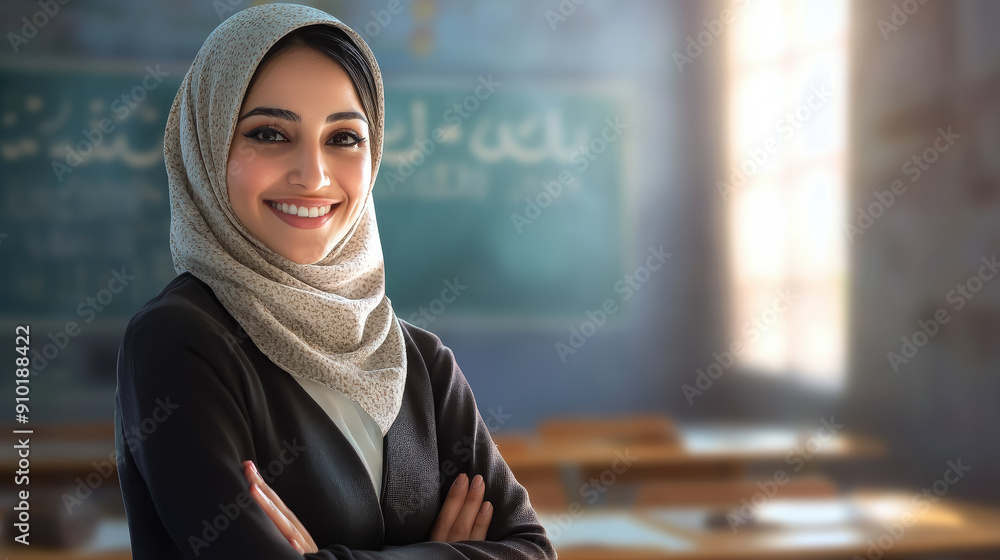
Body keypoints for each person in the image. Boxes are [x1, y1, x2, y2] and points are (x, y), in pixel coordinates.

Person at [113, 4, 556, 559]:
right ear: (205, 145)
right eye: (270, 133)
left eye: (343, 138)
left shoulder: (419, 361)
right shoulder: (176, 341)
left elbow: (533, 550)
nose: (314, 175)